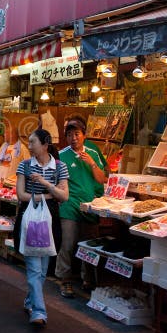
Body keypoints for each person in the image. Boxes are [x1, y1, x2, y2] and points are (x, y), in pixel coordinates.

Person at [15, 129, 69, 326]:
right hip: (30, 218)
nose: (29, 146)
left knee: (43, 269)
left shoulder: (60, 166)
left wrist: (44, 182)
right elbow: (21, 195)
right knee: (35, 268)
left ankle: (30, 301)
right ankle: (39, 312)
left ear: (45, 145)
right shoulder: (24, 165)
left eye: (32, 142)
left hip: (50, 219)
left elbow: (65, 196)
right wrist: (48, 195)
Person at [57, 118, 108, 298]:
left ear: (84, 135)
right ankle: (65, 280)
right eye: (69, 135)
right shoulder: (61, 155)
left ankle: (88, 280)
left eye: (77, 134)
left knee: (89, 244)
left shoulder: (93, 152)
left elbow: (102, 179)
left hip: (90, 206)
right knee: (68, 244)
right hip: (69, 206)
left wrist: (92, 163)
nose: (73, 138)